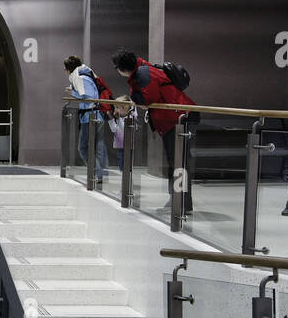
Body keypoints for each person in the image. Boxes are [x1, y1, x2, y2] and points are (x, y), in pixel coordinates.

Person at [111, 50, 196, 212]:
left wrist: (137, 100)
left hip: (179, 120)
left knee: (179, 163)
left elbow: (148, 99)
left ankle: (182, 203)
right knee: (176, 162)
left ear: (122, 68)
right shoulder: (143, 70)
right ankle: (178, 201)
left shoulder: (143, 73)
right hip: (174, 120)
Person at [63, 55, 109, 186]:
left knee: (83, 147)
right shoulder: (87, 72)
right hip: (97, 115)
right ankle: (99, 174)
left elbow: (87, 98)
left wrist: (72, 93)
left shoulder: (80, 77)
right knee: (98, 146)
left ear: (68, 69)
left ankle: (96, 172)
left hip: (90, 116)